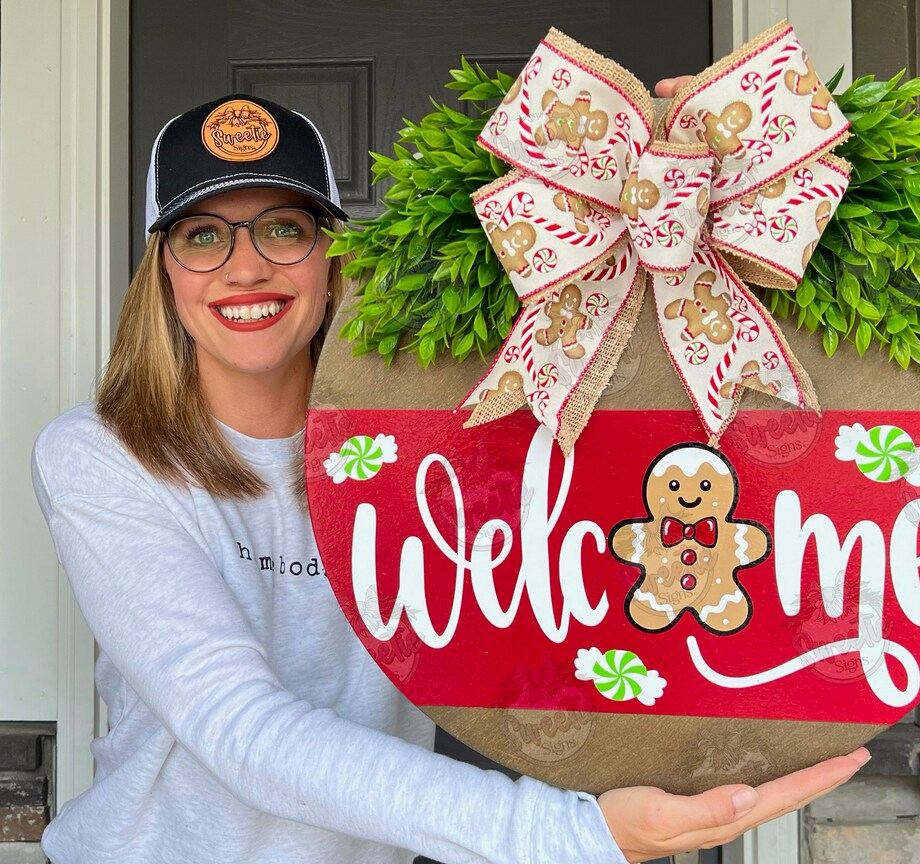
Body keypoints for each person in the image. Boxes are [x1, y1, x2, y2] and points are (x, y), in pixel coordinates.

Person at [32, 92, 868, 864]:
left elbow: (624, 288)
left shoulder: (437, 444)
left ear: (333, 261)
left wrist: (684, 141)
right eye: (202, 235)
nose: (245, 268)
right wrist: (572, 838)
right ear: (164, 274)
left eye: (284, 228)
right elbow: (237, 725)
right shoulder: (100, 456)